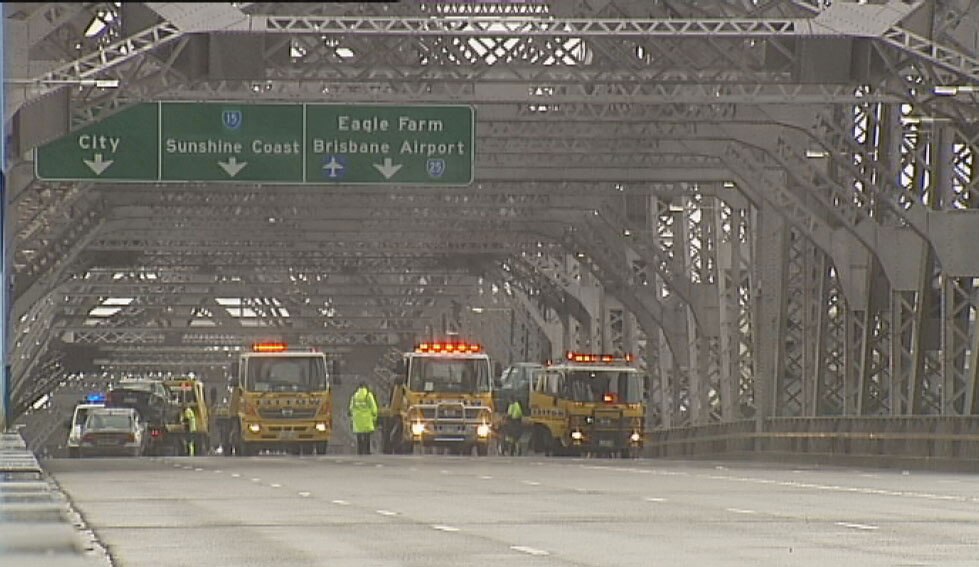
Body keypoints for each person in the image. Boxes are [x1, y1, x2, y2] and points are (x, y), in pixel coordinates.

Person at [349, 382, 378, 455]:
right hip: (367, 419)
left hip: (357, 420)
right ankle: (367, 451)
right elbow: (373, 407)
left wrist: (353, 417)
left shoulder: (355, 396)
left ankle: (360, 451)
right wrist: (374, 416)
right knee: (366, 436)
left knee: (359, 436)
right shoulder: (368, 395)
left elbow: (351, 408)